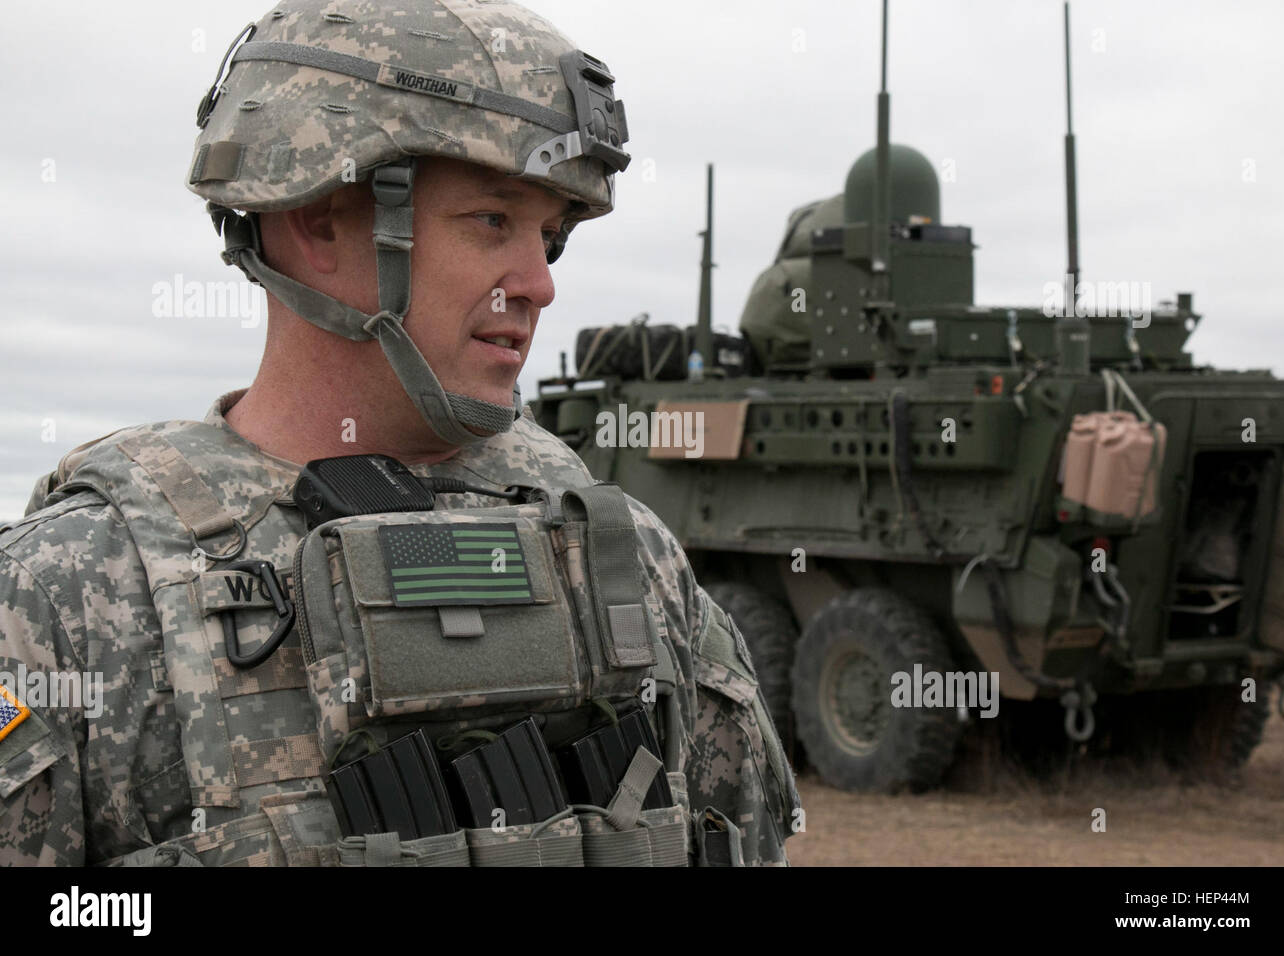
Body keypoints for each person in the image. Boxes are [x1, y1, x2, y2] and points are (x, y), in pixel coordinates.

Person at [0, 0, 798, 866]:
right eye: (492, 220)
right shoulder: (68, 594)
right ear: (316, 217)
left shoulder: (627, 557)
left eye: (550, 236)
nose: (537, 282)